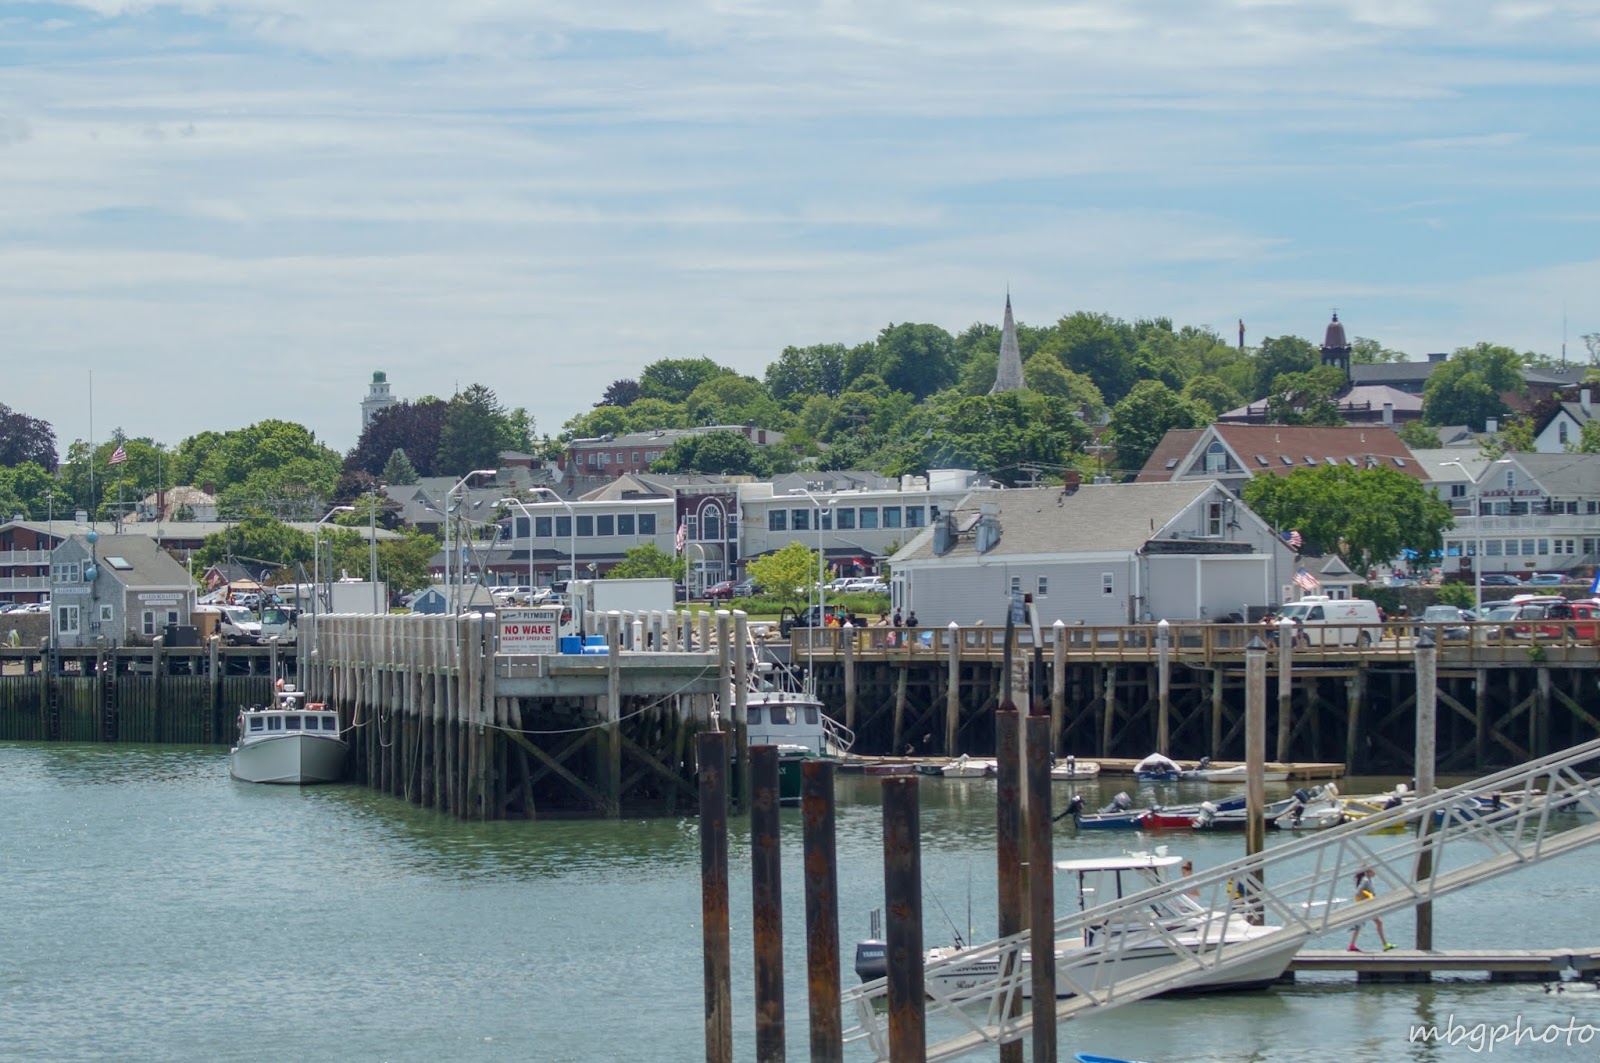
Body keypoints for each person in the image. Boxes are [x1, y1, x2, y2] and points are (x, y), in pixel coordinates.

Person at [1347, 868, 1395, 951]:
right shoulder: (1365, 880)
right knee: (1378, 923)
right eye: (1373, 870)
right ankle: (1385, 945)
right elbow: (1359, 892)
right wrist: (1369, 895)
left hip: (1366, 906)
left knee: (1360, 925)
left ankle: (1352, 945)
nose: (1375, 872)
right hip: (1366, 907)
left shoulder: (1366, 879)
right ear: (1368, 871)